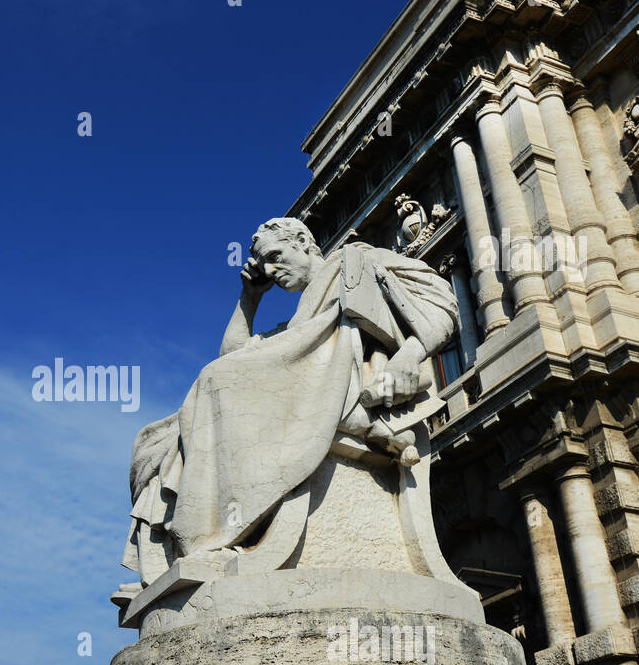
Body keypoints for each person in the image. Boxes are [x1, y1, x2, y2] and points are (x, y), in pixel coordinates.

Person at [123, 217, 459, 584]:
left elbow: (442, 304)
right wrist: (250, 298)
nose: (270, 269)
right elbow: (228, 358)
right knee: (155, 440)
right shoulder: (296, 325)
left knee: (215, 384)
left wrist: (411, 353)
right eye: (264, 263)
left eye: (276, 256)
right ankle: (176, 553)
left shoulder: (358, 261)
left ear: (302, 241)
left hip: (348, 392)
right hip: (307, 393)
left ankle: (205, 536)